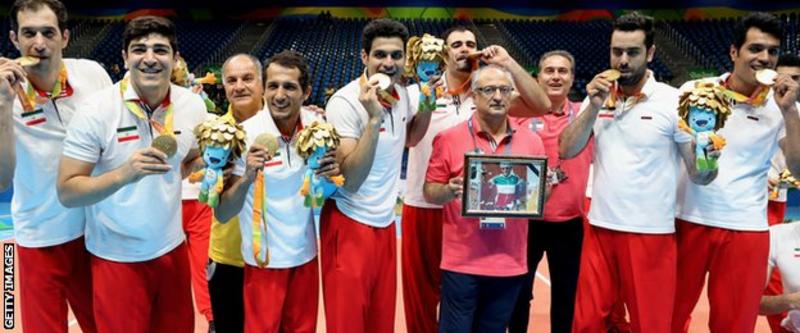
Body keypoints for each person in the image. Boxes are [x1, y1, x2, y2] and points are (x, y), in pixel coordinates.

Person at [559, 12, 714, 333]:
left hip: (651, 234)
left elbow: (700, 175)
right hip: (599, 229)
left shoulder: (675, 102)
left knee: (650, 326)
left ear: (651, 53)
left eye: (633, 52)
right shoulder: (598, 98)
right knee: (586, 324)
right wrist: (592, 105)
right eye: (617, 51)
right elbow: (565, 150)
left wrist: (708, 157)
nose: (623, 60)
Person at [56, 16, 206, 333]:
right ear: (125, 57)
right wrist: (125, 173)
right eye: (139, 49)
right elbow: (68, 191)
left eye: (160, 50)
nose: (150, 58)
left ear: (176, 58)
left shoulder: (192, 105)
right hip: (115, 258)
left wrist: (214, 164)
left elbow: (190, 159)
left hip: (172, 251)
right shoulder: (97, 110)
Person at [402, 25, 550, 332]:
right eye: (456, 44)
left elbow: (541, 104)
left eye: (471, 43)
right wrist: (428, 98)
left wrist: (507, 62)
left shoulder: (488, 90)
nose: (465, 48)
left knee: (464, 299)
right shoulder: (419, 91)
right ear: (444, 52)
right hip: (426, 201)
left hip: (472, 213)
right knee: (421, 296)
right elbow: (407, 139)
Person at [672, 12, 800, 333]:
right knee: (669, 317)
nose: (764, 58)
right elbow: (678, 148)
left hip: (746, 228)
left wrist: (789, 112)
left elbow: (797, 167)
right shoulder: (696, 90)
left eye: (772, 51)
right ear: (734, 52)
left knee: (735, 325)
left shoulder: (783, 105)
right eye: (755, 49)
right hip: (689, 219)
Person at [0, 1, 112, 332]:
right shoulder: (2, 93)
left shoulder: (92, 74)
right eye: (28, 33)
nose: (38, 43)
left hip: (94, 232)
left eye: (48, 32)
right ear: (13, 39)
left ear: (64, 37)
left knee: (102, 324)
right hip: (40, 235)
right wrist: (4, 105)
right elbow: (2, 179)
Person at [216, 50, 340, 333]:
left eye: (290, 87)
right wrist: (247, 176)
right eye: (272, 86)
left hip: (305, 259)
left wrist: (332, 173)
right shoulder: (244, 135)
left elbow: (330, 187)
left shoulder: (319, 128)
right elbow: (223, 213)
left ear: (306, 92)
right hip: (262, 263)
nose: (279, 95)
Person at [320, 18, 431, 332]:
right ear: (364, 57)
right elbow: (350, 180)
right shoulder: (344, 102)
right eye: (380, 54)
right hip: (349, 222)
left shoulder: (403, 95)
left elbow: (410, 138)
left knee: (380, 323)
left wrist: (429, 100)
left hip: (384, 226)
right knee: (348, 324)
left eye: (396, 55)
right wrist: (372, 120)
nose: (389, 62)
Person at [508, 50, 592, 333]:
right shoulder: (516, 116)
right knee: (518, 295)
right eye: (549, 71)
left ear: (572, 79)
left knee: (567, 297)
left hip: (570, 224)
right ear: (537, 77)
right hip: (524, 223)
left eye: (563, 71)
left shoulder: (586, 114)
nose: (556, 76)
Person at [203, 53, 266, 333]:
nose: (239, 86)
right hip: (228, 255)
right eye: (231, 80)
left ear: (263, 84)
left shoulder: (287, 124)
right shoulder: (213, 134)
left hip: (274, 254)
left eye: (247, 78)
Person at [762, 53, 800, 332]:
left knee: (779, 270)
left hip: (776, 202)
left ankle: (784, 327)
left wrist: (785, 180)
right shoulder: (755, 107)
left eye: (795, 78)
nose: (787, 83)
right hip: (742, 203)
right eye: (781, 76)